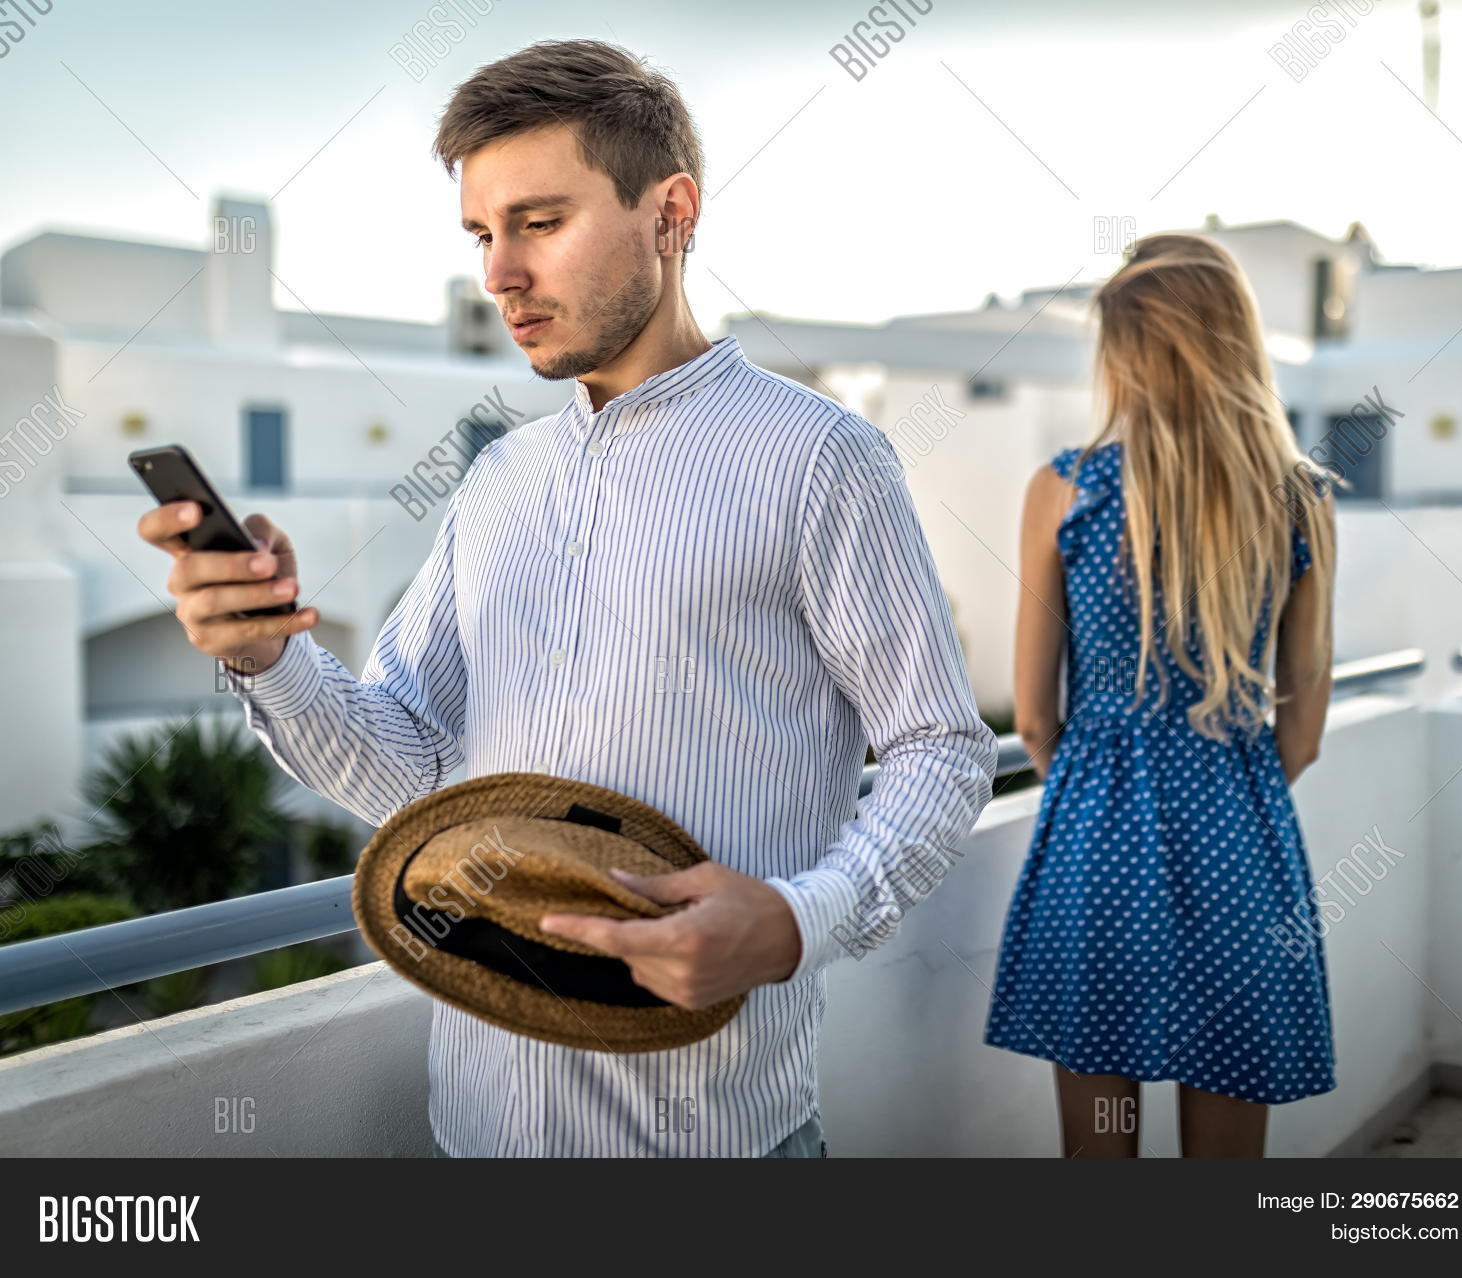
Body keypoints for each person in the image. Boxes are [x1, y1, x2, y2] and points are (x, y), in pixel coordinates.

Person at [136, 39, 998, 1159]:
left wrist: (793, 923)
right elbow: (418, 776)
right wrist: (265, 656)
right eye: (482, 235)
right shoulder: (498, 480)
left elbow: (942, 747)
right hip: (479, 1128)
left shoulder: (820, 459)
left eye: (538, 223)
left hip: (715, 1143)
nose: (498, 274)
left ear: (671, 214)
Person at [983, 233, 1338, 1158]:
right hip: (1242, 845)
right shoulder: (1300, 500)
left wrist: (1108, 786)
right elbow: (1301, 730)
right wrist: (1220, 797)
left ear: (1125, 350)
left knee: (1101, 1157)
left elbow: (1031, 719)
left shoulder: (1063, 491)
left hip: (1098, 843)